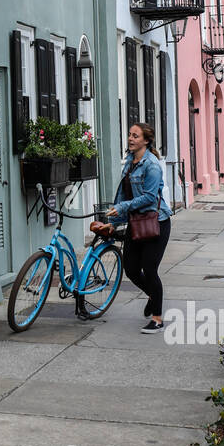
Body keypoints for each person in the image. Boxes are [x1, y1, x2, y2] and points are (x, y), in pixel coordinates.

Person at [90, 123, 173, 333]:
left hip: (156, 222)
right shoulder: (130, 162)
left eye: (135, 136)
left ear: (146, 140)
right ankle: (154, 296)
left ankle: (157, 318)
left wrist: (122, 208)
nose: (130, 138)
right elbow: (124, 195)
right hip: (136, 222)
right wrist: (115, 222)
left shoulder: (152, 165)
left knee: (149, 268)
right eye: (129, 134)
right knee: (132, 269)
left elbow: (149, 198)